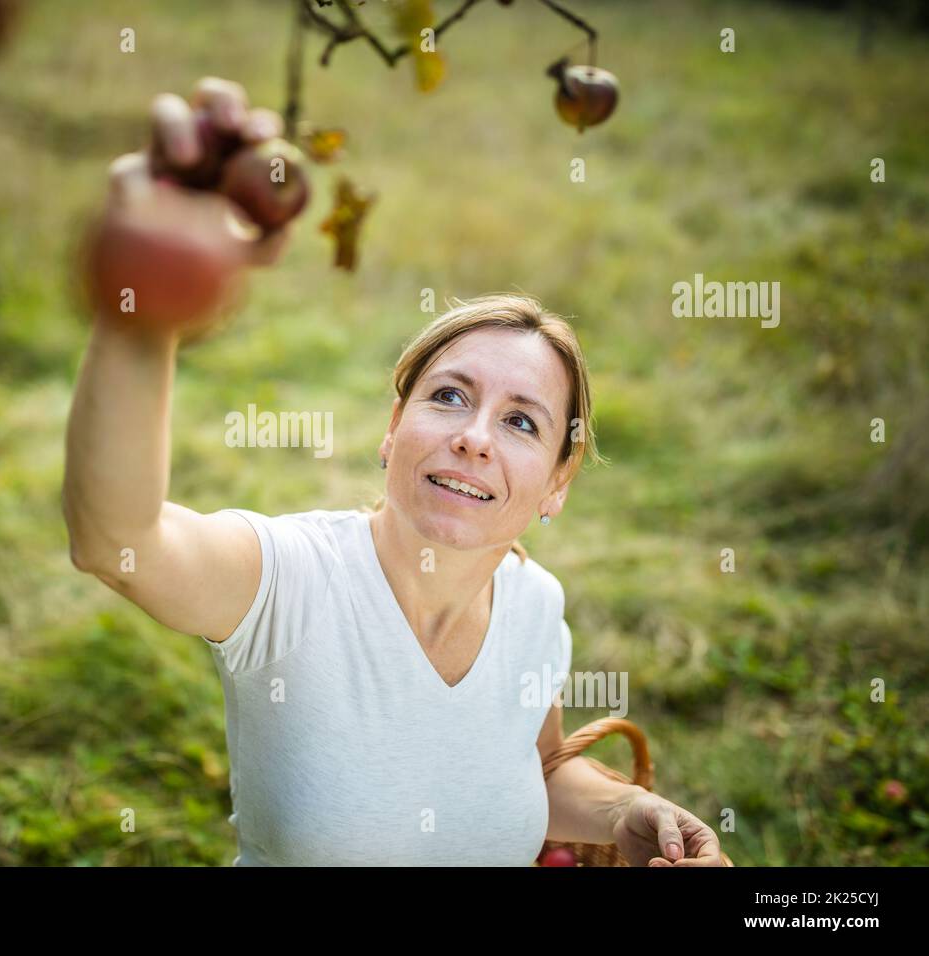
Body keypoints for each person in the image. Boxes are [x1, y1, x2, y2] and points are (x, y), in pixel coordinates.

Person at [64, 77, 725, 867]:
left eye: (521, 421)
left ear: (558, 482)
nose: (474, 438)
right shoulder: (288, 582)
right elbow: (116, 538)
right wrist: (146, 297)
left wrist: (626, 811)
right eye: (449, 397)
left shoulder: (534, 607)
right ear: (393, 431)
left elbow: (537, 767)